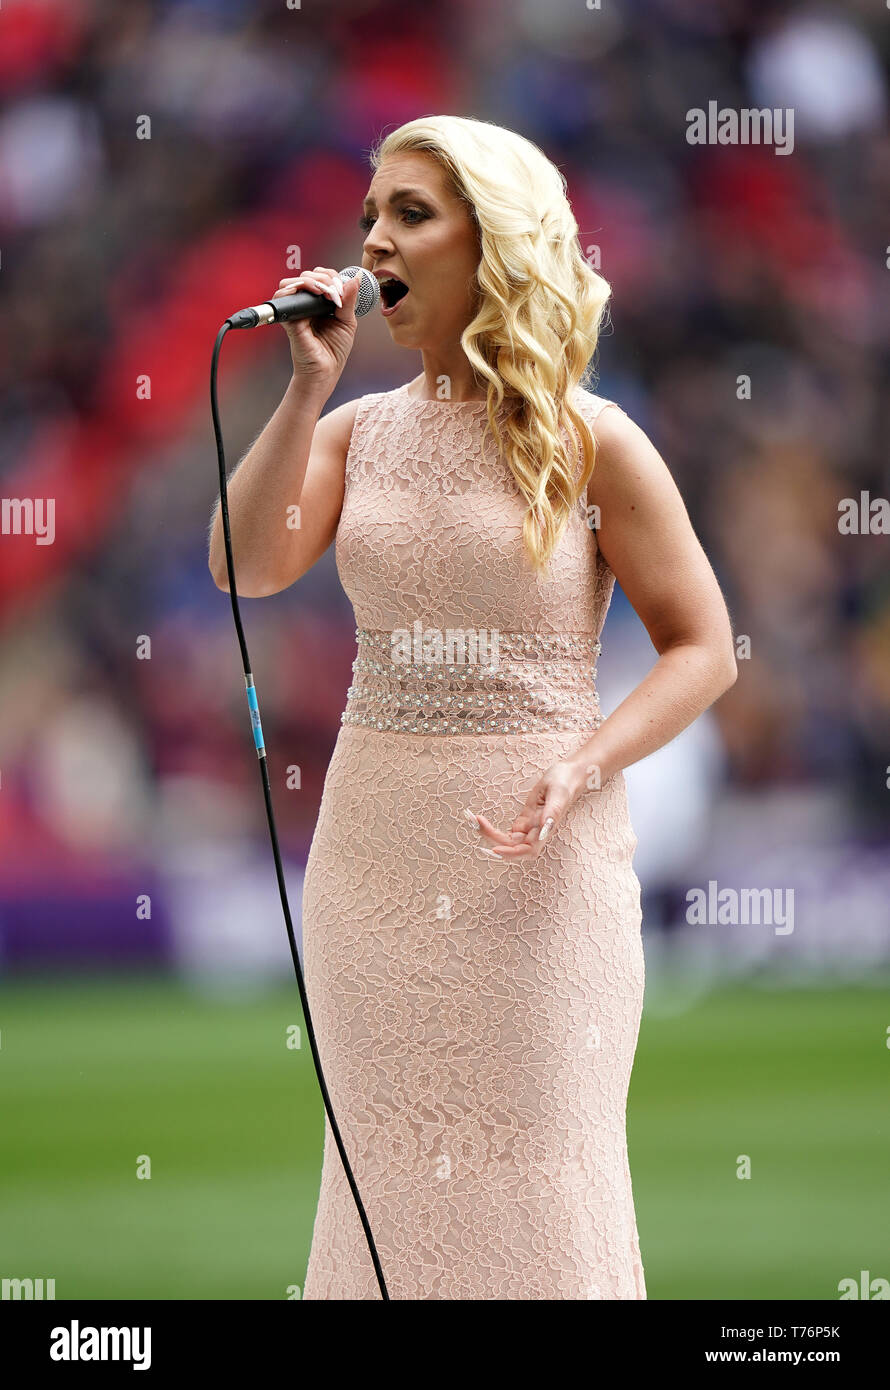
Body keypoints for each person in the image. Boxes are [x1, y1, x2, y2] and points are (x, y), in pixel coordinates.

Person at [208, 115, 737, 1300]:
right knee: (382, 1171)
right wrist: (302, 394)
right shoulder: (353, 431)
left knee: (542, 1164)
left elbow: (703, 648)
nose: (372, 242)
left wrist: (586, 762)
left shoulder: (594, 441)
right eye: (368, 217)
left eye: (409, 213)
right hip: (373, 856)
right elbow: (240, 567)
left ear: (490, 241)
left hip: (538, 855)